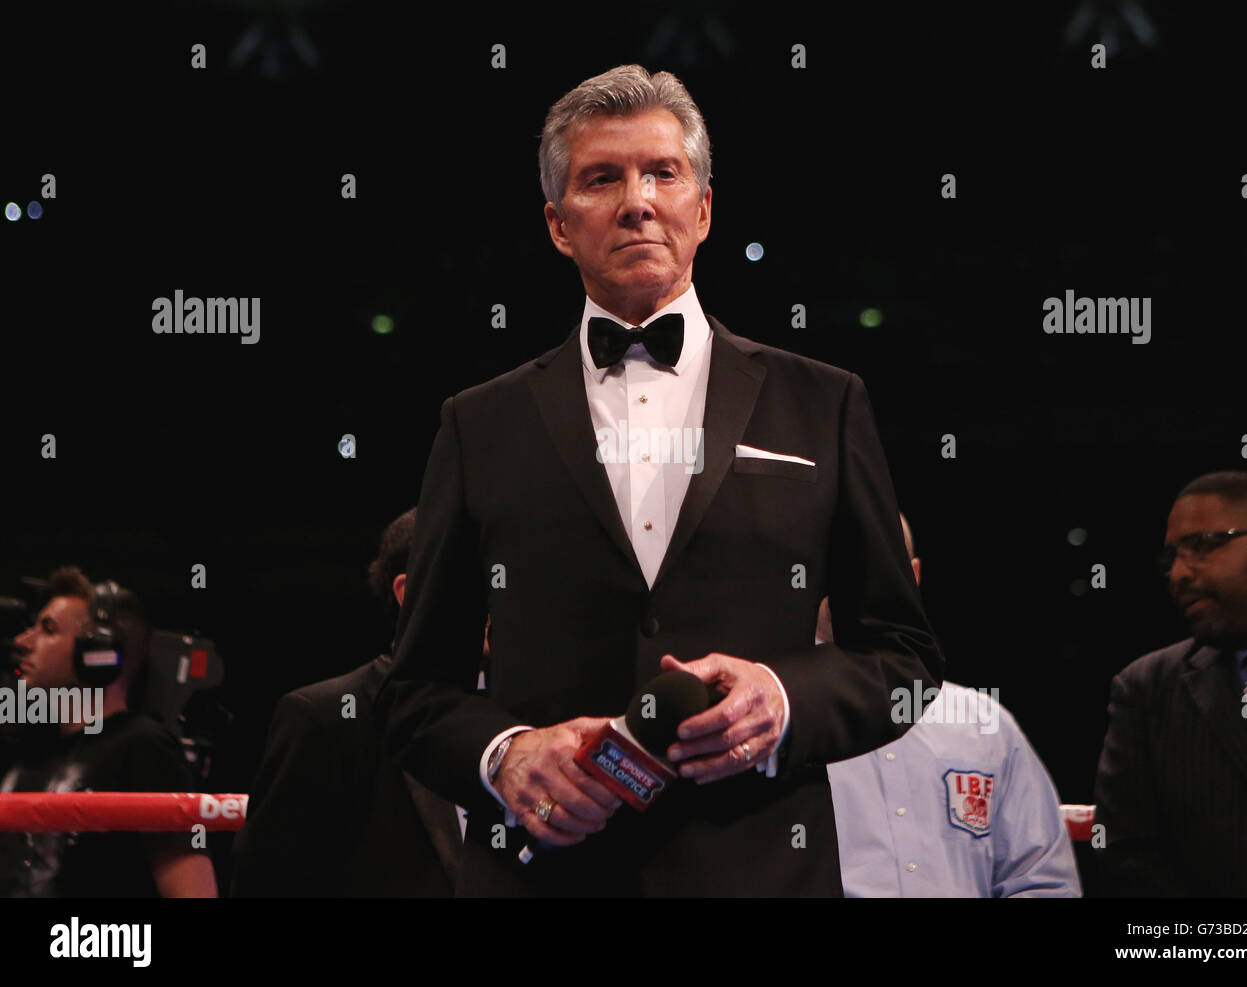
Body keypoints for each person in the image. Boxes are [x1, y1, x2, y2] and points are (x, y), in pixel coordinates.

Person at [379, 64, 944, 896]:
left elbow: (905, 659)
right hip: (546, 876)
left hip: (761, 871)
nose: (636, 200)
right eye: (601, 178)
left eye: (662, 173)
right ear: (557, 224)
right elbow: (415, 693)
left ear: (703, 208)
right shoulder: (478, 421)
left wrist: (782, 697)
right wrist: (508, 756)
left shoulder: (823, 401)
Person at [821, 514, 1080, 896]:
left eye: (881, 561)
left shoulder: (984, 722)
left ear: (912, 576)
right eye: (841, 559)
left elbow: (1042, 881)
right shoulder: (771, 725)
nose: (860, 579)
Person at [232, 508, 467, 896]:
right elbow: (266, 884)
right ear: (409, 593)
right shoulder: (325, 718)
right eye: (479, 574)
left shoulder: (530, 712)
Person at [1094, 470, 1247, 896]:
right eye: (1173, 556)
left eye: (1202, 546)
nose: (1179, 574)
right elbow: (1128, 852)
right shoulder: (1147, 687)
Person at [0, 566, 216, 897]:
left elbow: (193, 892)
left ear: (95, 651)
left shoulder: (144, 746)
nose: (23, 642)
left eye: (48, 629)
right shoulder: (28, 745)